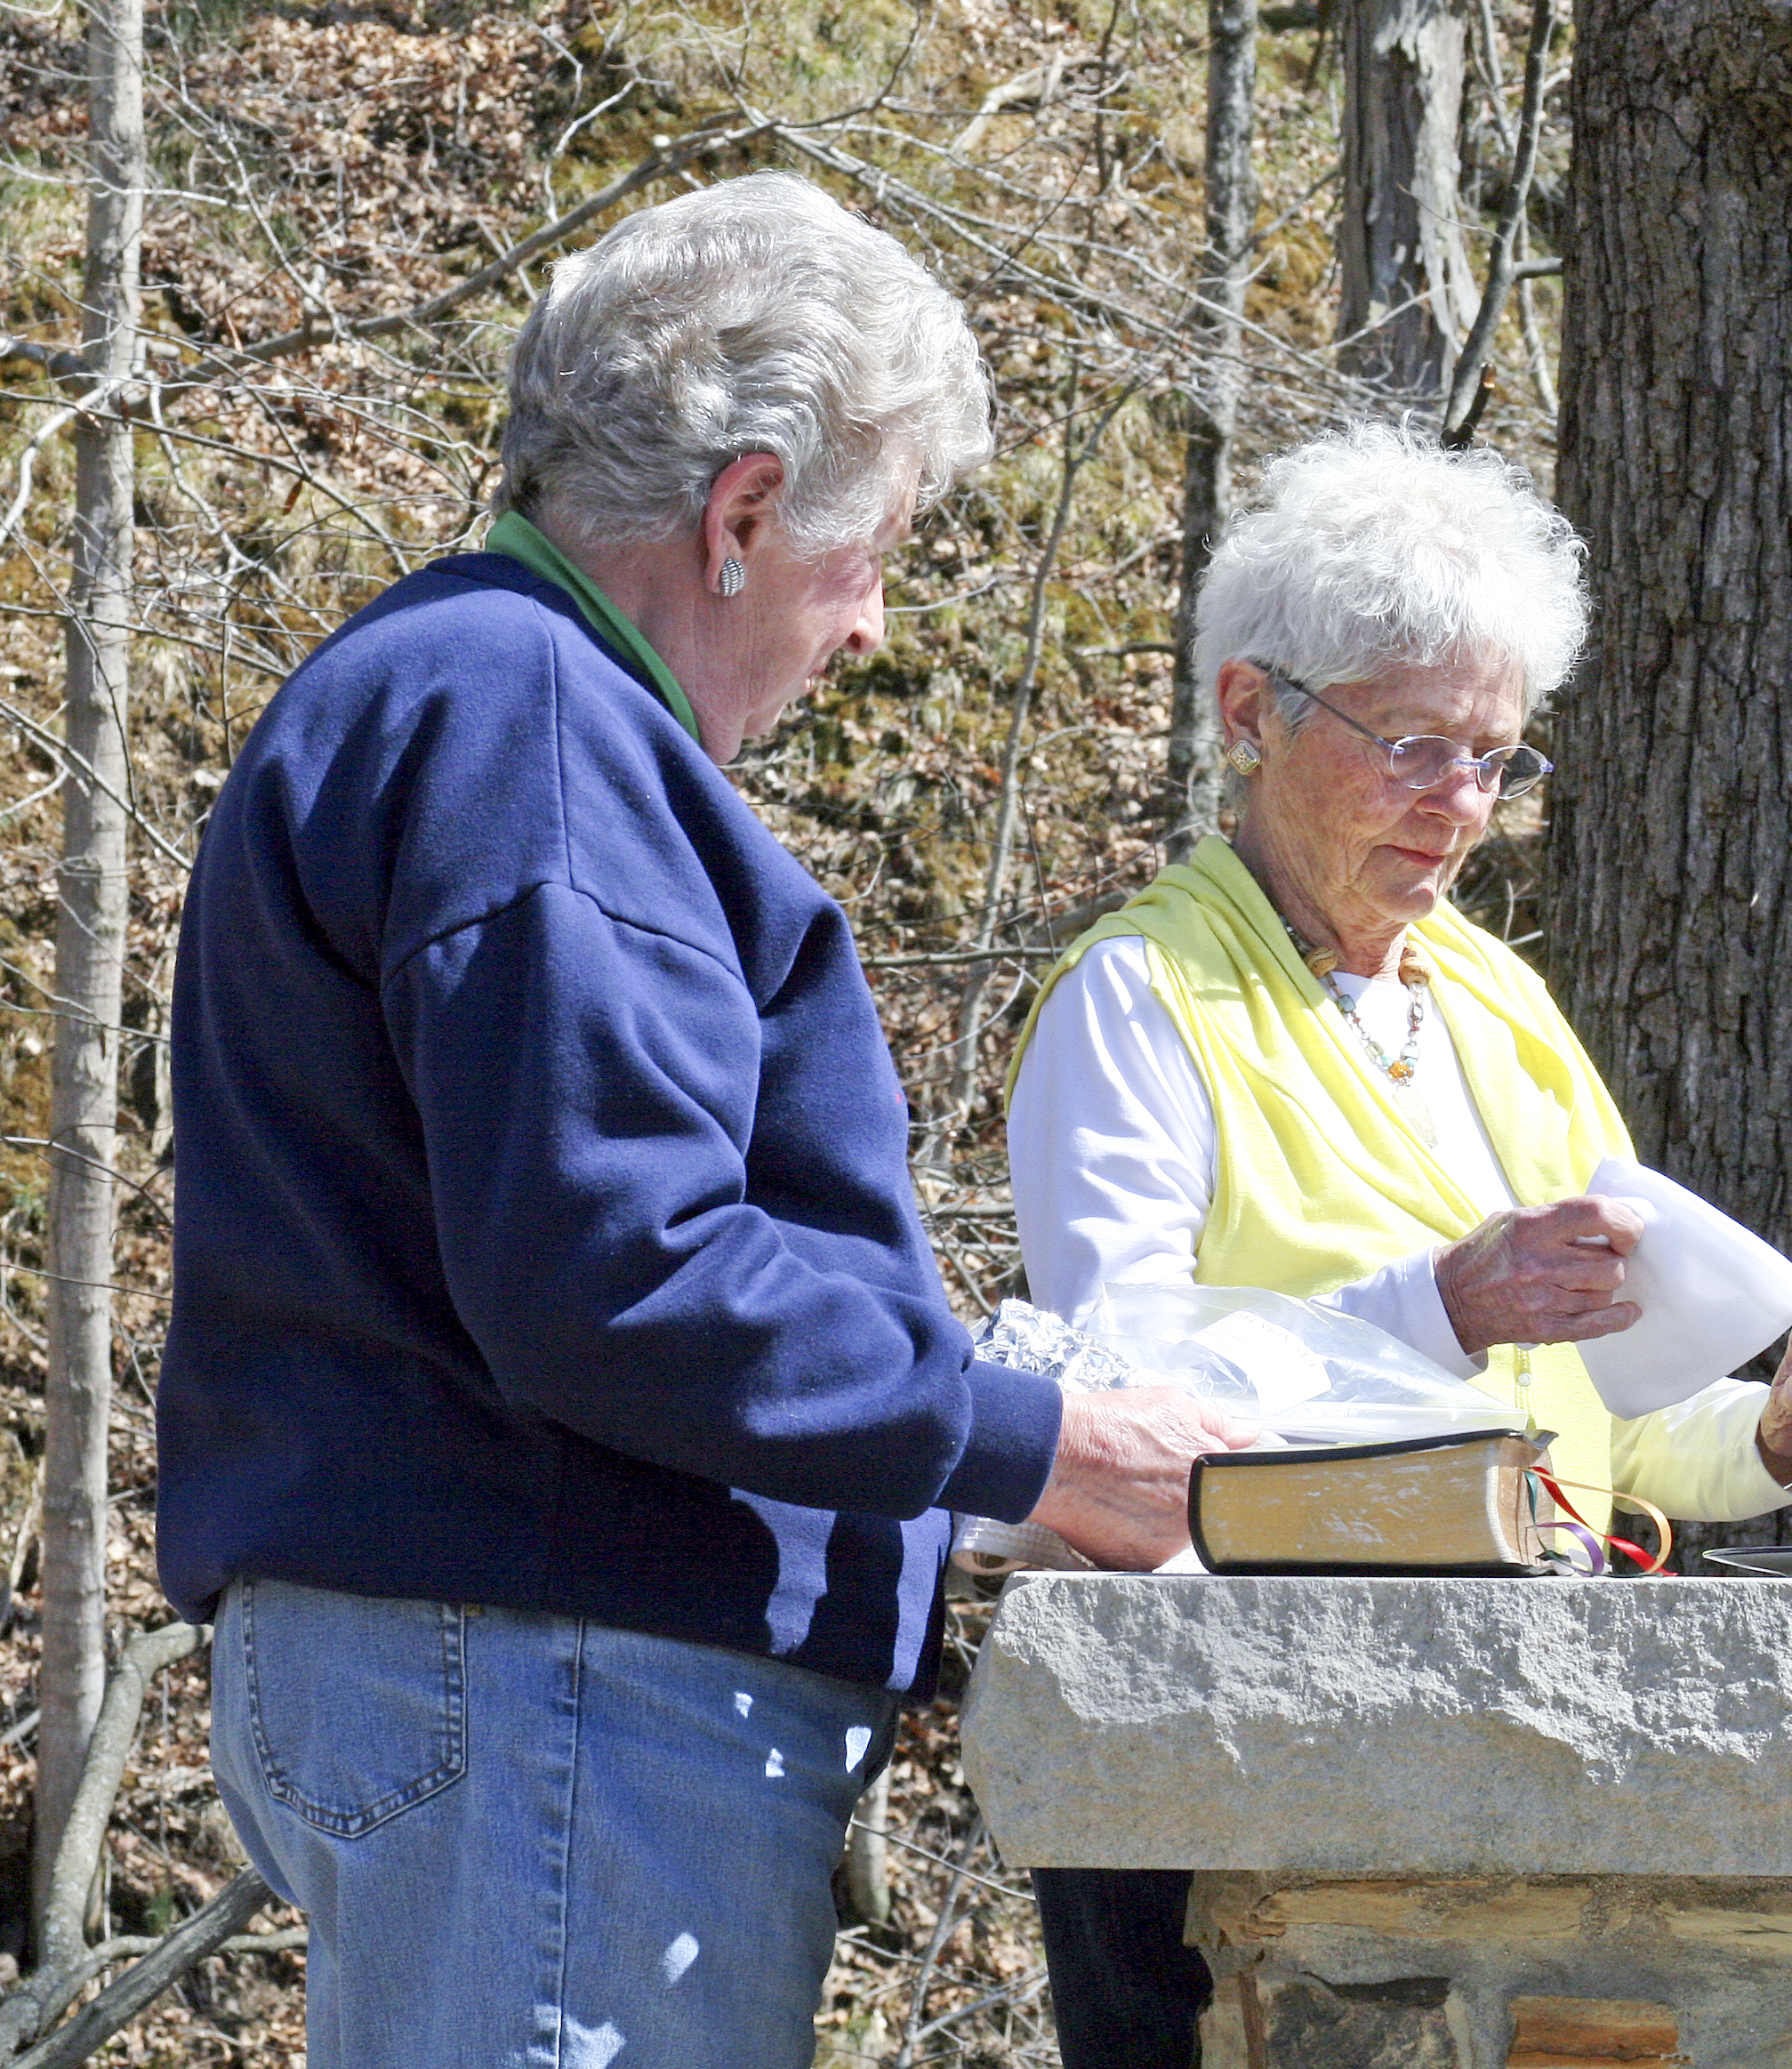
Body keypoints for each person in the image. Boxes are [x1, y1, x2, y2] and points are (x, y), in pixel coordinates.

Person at [157, 173, 1242, 2069]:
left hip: (522, 1681)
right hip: (560, 1692)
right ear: (743, 514)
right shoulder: (536, 725)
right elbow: (624, 1270)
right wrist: (1034, 1441)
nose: (872, 624)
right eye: (873, 552)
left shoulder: (477, 700)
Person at [1004, 423, 1792, 2068]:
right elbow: (1112, 1401)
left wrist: (1779, 1440)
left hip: (1509, 1747)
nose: (1464, 807)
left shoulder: (1499, 1000)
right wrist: (1438, 1303)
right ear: (1249, 712)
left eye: (1498, 758)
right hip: (1230, 1767)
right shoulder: (1140, 998)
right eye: (1416, 745)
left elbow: (1609, 1421)